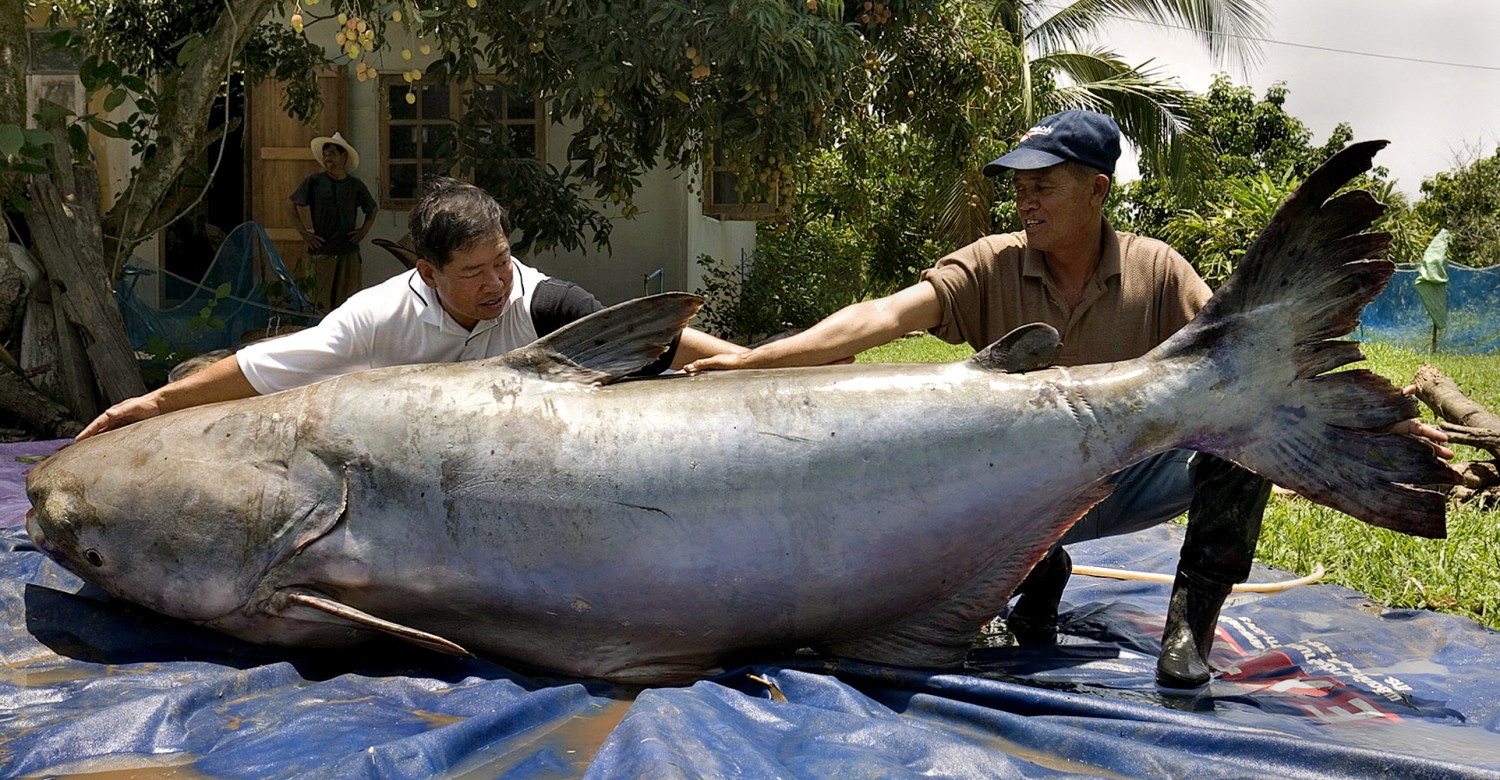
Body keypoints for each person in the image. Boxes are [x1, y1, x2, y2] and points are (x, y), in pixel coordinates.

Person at [685, 109, 1450, 688]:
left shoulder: (1157, 269)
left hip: (1132, 476)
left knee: (1235, 425)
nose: (1025, 200)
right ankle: (1031, 572)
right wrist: (756, 359)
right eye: (1018, 187)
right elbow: (880, 318)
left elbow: (1248, 373)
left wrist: (1350, 436)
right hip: (1010, 493)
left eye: (1042, 185)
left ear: (1096, 190)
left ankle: (1191, 623)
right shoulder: (990, 264)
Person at [80, 178, 744, 441]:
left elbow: (652, 340)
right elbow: (261, 369)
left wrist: (757, 364)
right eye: (474, 272)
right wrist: (156, 406)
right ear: (426, 272)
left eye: (503, 261)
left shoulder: (541, 301)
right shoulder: (373, 322)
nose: (496, 283)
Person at [287, 132, 380, 312]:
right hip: (322, 253)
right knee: (318, 303)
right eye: (325, 155)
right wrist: (304, 233)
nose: (327, 159)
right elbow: (291, 203)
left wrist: (363, 231)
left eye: (332, 154)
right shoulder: (314, 182)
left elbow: (372, 209)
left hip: (348, 253)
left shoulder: (355, 186)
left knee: (348, 304)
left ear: (343, 156)